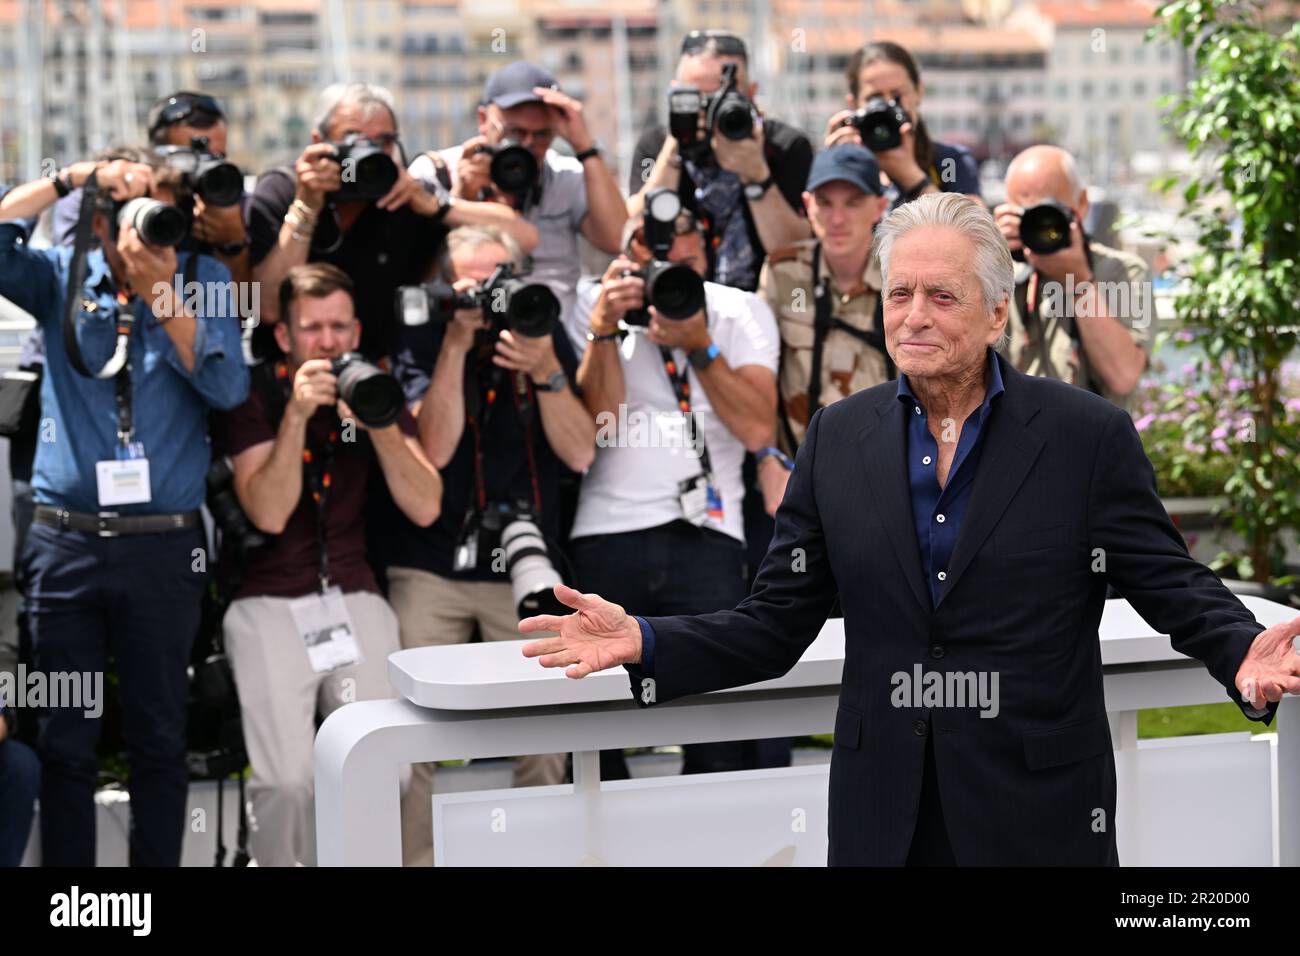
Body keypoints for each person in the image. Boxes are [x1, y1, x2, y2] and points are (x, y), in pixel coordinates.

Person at [519, 192, 1300, 866]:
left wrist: (1239, 649)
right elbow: (775, 621)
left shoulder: (1083, 437)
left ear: (998, 312)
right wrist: (648, 642)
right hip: (882, 816)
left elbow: (1169, 580)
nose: (915, 317)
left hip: (1038, 815)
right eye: (899, 295)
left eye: (942, 297)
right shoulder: (836, 438)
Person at [0, 147, 250, 866]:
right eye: (130, 207)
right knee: (66, 742)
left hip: (163, 549)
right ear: (101, 220)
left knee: (159, 741)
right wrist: (71, 179)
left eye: (161, 206)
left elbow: (229, 388)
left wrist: (163, 296)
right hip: (67, 544)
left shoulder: (203, 281)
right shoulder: (64, 275)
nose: (148, 222)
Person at [211, 264, 440, 867]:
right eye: (312, 329)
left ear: (357, 330)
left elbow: (425, 505)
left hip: (351, 592)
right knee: (285, 783)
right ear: (284, 337)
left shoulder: (373, 385)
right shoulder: (253, 392)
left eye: (339, 327)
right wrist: (294, 415)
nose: (328, 342)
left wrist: (382, 425)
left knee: (384, 773)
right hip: (266, 599)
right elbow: (267, 510)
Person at [389, 225, 594, 866]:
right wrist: (455, 343)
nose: (491, 294)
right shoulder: (425, 330)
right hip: (433, 560)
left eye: (501, 276)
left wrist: (548, 371)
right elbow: (437, 446)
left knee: (544, 734)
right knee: (406, 734)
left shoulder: (539, 328)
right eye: (473, 281)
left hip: (525, 564)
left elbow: (582, 450)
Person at [565, 205, 779, 777]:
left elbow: (759, 428)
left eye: (684, 264)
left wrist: (701, 345)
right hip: (609, 531)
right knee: (598, 715)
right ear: (628, 259)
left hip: (709, 532)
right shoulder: (595, 304)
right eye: (656, 262)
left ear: (705, 256)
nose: (669, 279)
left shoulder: (739, 310)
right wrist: (605, 332)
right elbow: (601, 424)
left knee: (713, 718)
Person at [249, 82, 538, 361]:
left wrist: (437, 206)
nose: (369, 155)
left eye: (383, 142)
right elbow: (269, 308)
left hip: (382, 378)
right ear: (319, 143)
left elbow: (524, 237)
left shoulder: (403, 196)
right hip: (290, 377)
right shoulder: (284, 191)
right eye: (355, 141)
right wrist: (306, 207)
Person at [413, 61, 626, 326]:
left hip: (550, 335)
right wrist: (461, 198)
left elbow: (618, 238)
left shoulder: (564, 176)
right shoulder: (437, 173)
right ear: (483, 121)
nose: (527, 146)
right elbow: (417, 272)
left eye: (541, 135)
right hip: (464, 334)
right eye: (515, 134)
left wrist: (585, 148)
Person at [755, 143, 892, 514]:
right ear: (806, 204)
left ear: (880, 207)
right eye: (825, 202)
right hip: (801, 481)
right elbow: (759, 375)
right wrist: (767, 459)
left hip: (890, 480)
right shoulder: (784, 273)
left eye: (853, 202)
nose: (837, 218)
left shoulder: (903, 276)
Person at [629, 30, 814, 293]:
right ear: (675, 95)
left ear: (751, 94)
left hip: (768, 303)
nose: (710, 110)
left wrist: (757, 174)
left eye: (723, 98)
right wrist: (676, 147)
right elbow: (633, 231)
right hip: (678, 298)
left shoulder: (786, 146)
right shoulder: (656, 146)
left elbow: (794, 248)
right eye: (697, 98)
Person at [994, 145, 1151, 407]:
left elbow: (1123, 377)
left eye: (1050, 211)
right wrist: (989, 250)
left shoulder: (1122, 271)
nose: (1042, 226)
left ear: (1081, 204)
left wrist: (1079, 281)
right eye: (1026, 215)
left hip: (1092, 443)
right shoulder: (996, 272)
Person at [825, 41, 982, 208]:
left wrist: (911, 177)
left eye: (897, 96)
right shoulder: (847, 163)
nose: (887, 107)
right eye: (874, 99)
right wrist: (831, 167)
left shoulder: (950, 162)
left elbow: (975, 230)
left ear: (919, 91)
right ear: (853, 104)